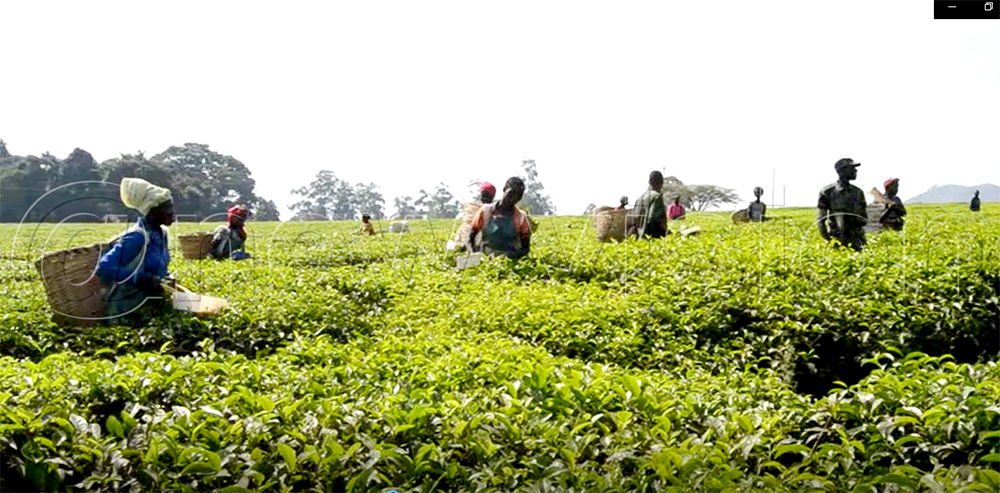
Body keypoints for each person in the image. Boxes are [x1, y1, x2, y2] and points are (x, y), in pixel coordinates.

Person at [96, 178, 176, 321]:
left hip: (153, 304)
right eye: (168, 208)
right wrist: (141, 279)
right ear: (153, 210)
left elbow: (158, 268)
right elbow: (104, 268)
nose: (172, 213)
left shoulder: (162, 234)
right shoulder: (137, 237)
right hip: (129, 310)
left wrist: (167, 277)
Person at [467, 177, 532, 259]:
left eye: (518, 196)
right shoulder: (485, 211)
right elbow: (470, 239)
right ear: (504, 189)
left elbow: (525, 249)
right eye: (511, 193)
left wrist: (510, 256)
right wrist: (474, 255)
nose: (513, 198)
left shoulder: (521, 218)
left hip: (508, 262)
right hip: (485, 259)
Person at [817, 158, 868, 251]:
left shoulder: (858, 192)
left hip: (858, 240)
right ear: (842, 171)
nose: (855, 170)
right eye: (852, 168)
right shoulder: (827, 192)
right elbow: (821, 219)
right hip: (838, 239)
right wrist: (828, 238)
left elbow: (864, 216)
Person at [630, 171, 669, 238]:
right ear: (661, 182)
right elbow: (655, 220)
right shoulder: (656, 197)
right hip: (653, 239)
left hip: (639, 240)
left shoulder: (638, 199)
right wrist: (668, 233)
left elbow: (633, 222)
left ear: (649, 182)